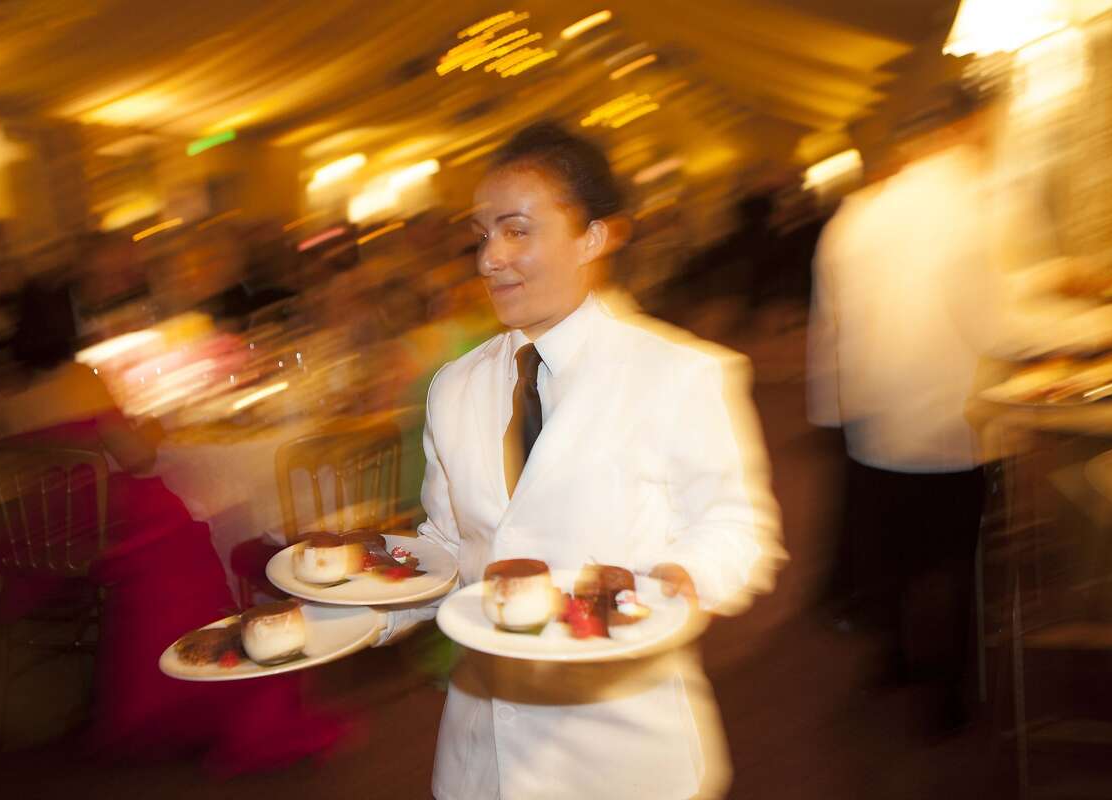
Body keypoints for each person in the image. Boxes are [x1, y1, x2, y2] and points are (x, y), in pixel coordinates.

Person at [372, 122, 783, 799]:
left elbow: (739, 527)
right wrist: (360, 606)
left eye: (516, 230)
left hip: (621, 751)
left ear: (592, 236)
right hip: (483, 753)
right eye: (481, 235)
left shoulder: (680, 372)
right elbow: (451, 541)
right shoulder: (454, 387)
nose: (487, 259)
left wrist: (685, 576)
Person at [0, 280, 344, 773]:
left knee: (181, 527)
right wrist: (150, 427)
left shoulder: (6, 395)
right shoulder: (82, 379)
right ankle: (205, 692)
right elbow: (137, 459)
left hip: (33, 540)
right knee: (189, 536)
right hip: (95, 531)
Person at [806, 86, 1005, 736]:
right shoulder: (966, 212)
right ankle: (945, 694)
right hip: (946, 422)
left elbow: (828, 327)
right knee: (952, 559)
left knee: (891, 552)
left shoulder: (854, 217)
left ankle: (891, 660)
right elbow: (992, 326)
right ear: (960, 132)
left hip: (872, 420)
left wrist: (832, 413)